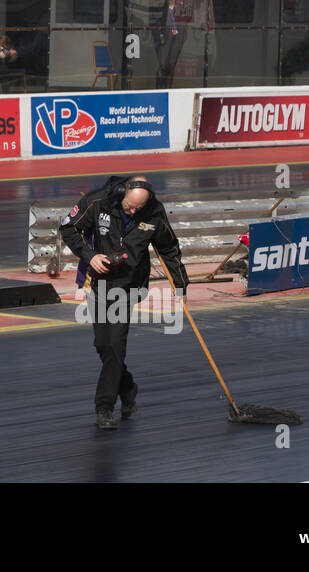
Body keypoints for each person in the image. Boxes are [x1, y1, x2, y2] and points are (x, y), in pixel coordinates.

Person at [59, 174, 190, 430]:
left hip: (128, 286)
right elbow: (68, 228)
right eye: (130, 206)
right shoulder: (98, 202)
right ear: (123, 192)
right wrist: (90, 255)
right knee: (103, 346)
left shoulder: (153, 212)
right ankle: (127, 386)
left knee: (115, 347)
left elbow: (169, 248)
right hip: (96, 283)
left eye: (138, 208)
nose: (133, 211)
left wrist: (181, 283)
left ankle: (104, 407)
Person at [153, 0, 184, 88]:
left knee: (171, 67)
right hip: (164, 42)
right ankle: (159, 88)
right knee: (162, 66)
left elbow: (183, 26)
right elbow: (157, 26)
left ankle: (169, 87)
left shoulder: (178, 11)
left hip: (175, 42)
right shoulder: (163, 12)